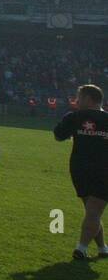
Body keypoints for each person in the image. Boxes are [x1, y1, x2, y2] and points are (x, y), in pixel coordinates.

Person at [53, 84, 108, 260]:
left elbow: (58, 135)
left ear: (89, 99)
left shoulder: (74, 117)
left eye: (79, 97)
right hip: (103, 169)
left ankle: (102, 248)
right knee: (94, 211)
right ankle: (81, 248)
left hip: (79, 169)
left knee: (92, 211)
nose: (76, 101)